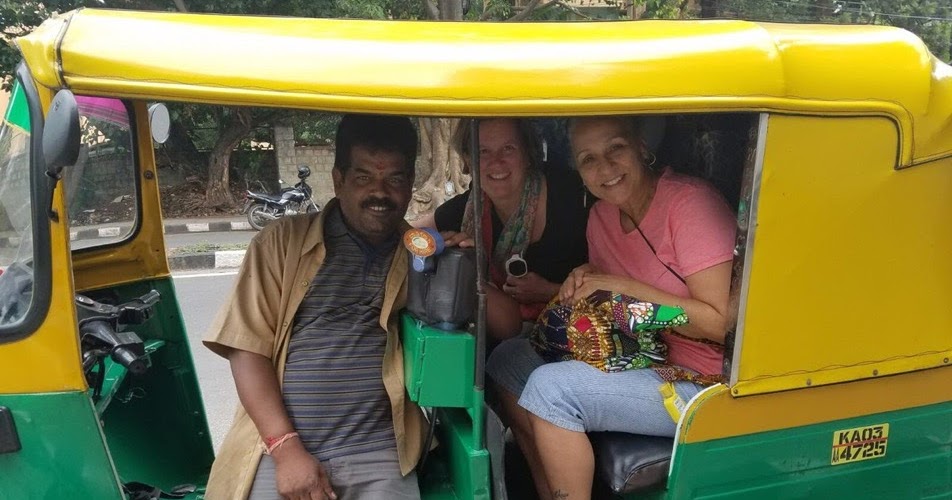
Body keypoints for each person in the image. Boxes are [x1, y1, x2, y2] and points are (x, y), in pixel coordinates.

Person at [486, 115, 736, 500]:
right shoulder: (601, 217)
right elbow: (618, 305)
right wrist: (581, 282)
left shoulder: (689, 206)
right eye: (589, 159)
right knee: (509, 360)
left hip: (703, 381)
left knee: (551, 389)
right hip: (645, 357)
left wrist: (625, 288)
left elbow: (721, 325)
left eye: (615, 148)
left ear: (641, 146)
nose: (605, 168)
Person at [203, 114, 425, 500]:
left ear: (409, 186)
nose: (380, 193)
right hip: (280, 444)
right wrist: (286, 449)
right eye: (363, 178)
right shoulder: (279, 244)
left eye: (395, 179)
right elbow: (246, 349)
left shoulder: (421, 254)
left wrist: (460, 263)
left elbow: (493, 320)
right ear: (338, 180)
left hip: (381, 453)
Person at [425, 118, 589, 340]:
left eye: (508, 149)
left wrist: (550, 290)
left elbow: (613, 283)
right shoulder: (467, 209)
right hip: (505, 336)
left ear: (527, 153)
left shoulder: (574, 196)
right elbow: (410, 234)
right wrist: (439, 245)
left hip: (580, 333)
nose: (497, 162)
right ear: (467, 160)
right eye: (483, 151)